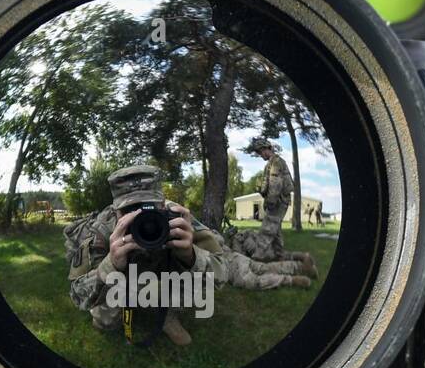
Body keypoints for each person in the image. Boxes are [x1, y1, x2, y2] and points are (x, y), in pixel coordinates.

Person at [66, 164, 314, 347]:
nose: (143, 218)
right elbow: (78, 297)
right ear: (115, 210)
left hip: (161, 279)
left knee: (198, 284)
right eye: (130, 211)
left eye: (151, 208)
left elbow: (222, 273)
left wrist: (191, 255)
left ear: (162, 204)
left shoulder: (176, 218)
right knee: (106, 323)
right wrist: (111, 265)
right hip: (124, 281)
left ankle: (167, 315)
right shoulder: (101, 230)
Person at [230, 136, 315, 267]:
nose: (260, 155)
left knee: (267, 230)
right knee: (276, 232)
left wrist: (270, 202)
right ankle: (282, 257)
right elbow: (270, 185)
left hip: (277, 202)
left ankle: (256, 260)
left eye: (260, 151)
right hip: (278, 201)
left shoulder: (275, 162)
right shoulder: (272, 163)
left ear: (266, 149)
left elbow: (275, 185)